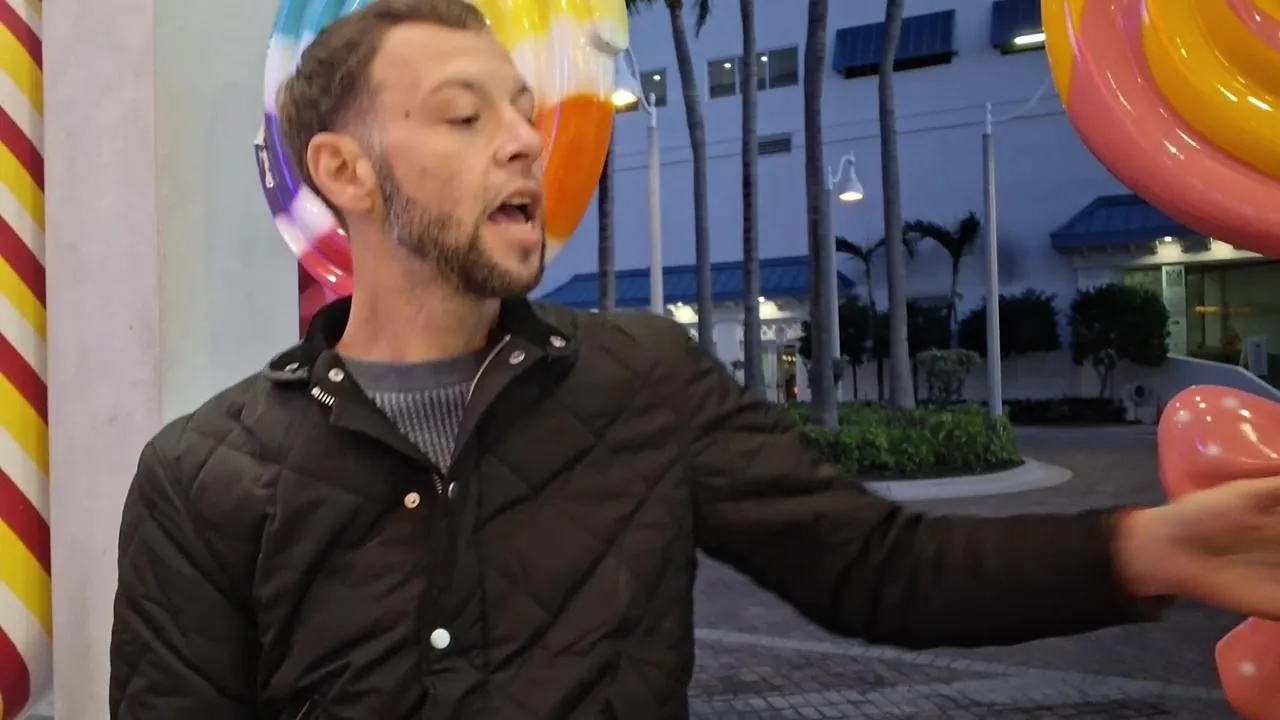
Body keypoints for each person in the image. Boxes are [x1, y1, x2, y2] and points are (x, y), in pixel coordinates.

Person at [108, 1, 1280, 718]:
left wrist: (1146, 550)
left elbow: (880, 570)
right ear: (343, 172)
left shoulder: (643, 384)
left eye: (521, 109)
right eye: (464, 117)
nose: (525, 141)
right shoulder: (204, 477)